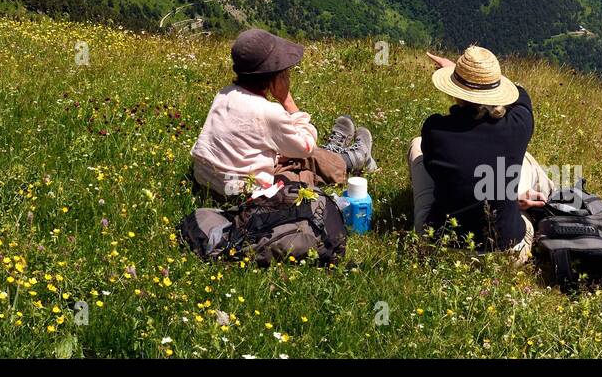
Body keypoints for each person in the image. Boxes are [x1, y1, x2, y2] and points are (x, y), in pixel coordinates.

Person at [407, 45, 552, 261]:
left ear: (455, 91)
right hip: (508, 253)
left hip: (440, 250)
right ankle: (547, 196)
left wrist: (460, 73)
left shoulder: (435, 130)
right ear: (498, 90)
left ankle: (512, 198)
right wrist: (486, 77)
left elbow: (444, 170)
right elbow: (521, 94)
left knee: (417, 146)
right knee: (524, 158)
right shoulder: (518, 125)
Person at [191, 28, 375, 198]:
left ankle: (337, 153)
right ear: (275, 76)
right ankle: (350, 160)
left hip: (208, 183)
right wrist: (286, 99)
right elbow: (307, 147)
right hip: (245, 194)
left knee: (285, 152)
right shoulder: (269, 112)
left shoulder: (223, 94)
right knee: (302, 168)